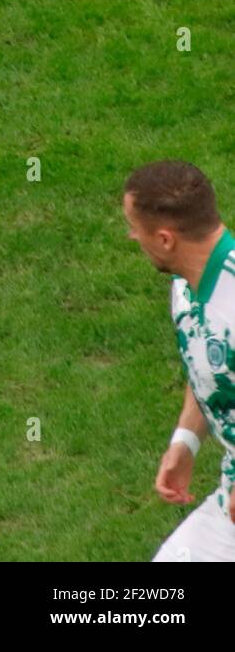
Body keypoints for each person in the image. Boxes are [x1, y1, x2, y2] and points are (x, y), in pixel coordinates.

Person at [123, 160, 235, 560]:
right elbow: (213, 371)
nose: (132, 236)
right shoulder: (186, 286)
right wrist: (185, 442)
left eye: (136, 228)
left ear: (166, 239)